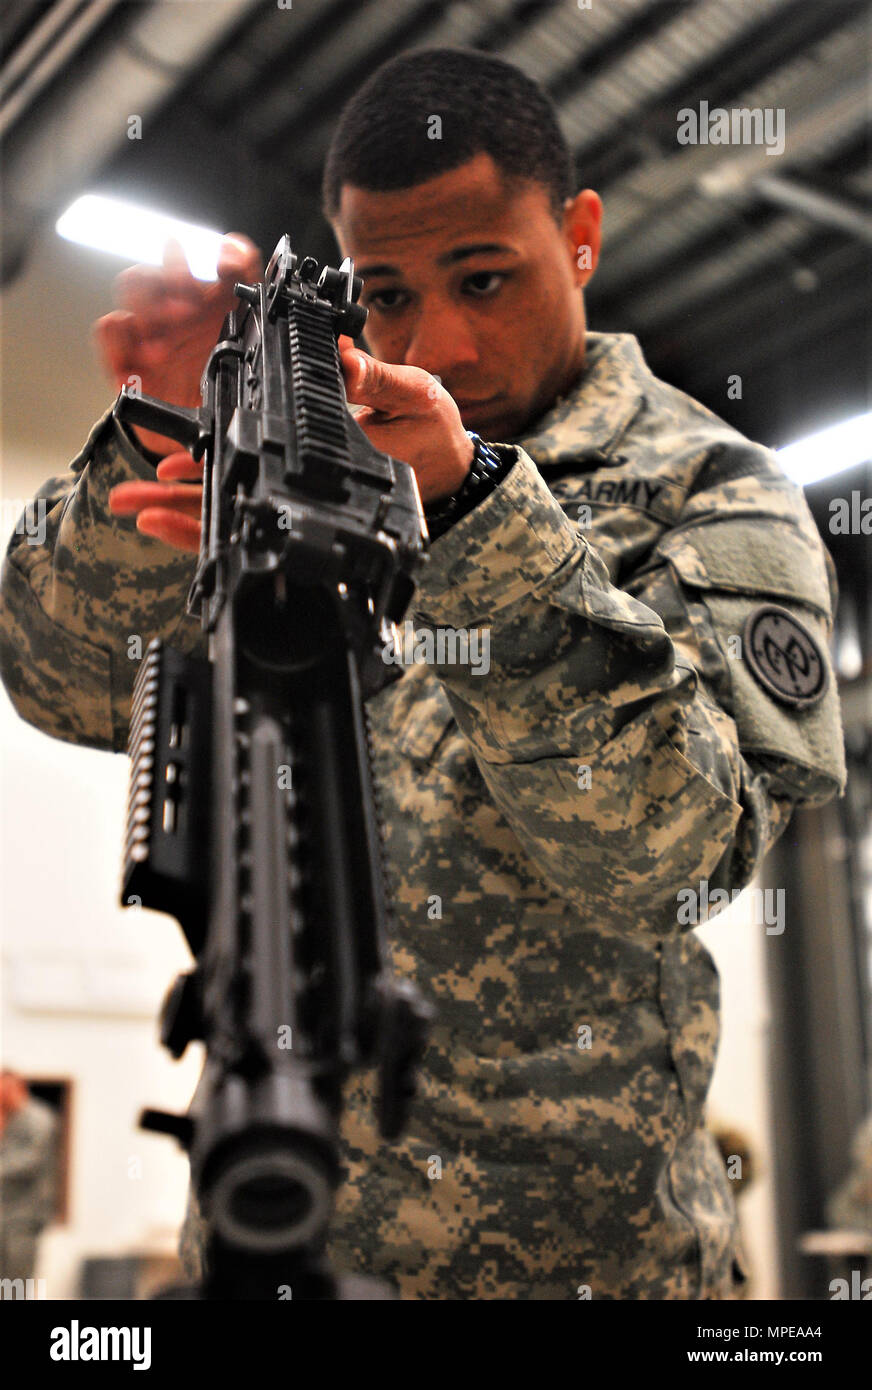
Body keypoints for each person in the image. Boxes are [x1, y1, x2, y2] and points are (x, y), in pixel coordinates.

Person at [0, 48, 846, 1299]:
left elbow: (674, 856)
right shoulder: (306, 459)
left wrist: (471, 519)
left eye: (484, 276)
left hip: (583, 1273)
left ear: (581, 238)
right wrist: (162, 443)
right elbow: (59, 684)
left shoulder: (709, 491)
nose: (435, 339)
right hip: (271, 1227)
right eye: (384, 292)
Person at [0, 1070, 59, 1289]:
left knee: (15, 1283)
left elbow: (30, 1161)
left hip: (24, 1218)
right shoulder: (9, 1119)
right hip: (5, 1216)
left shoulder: (38, 1118)